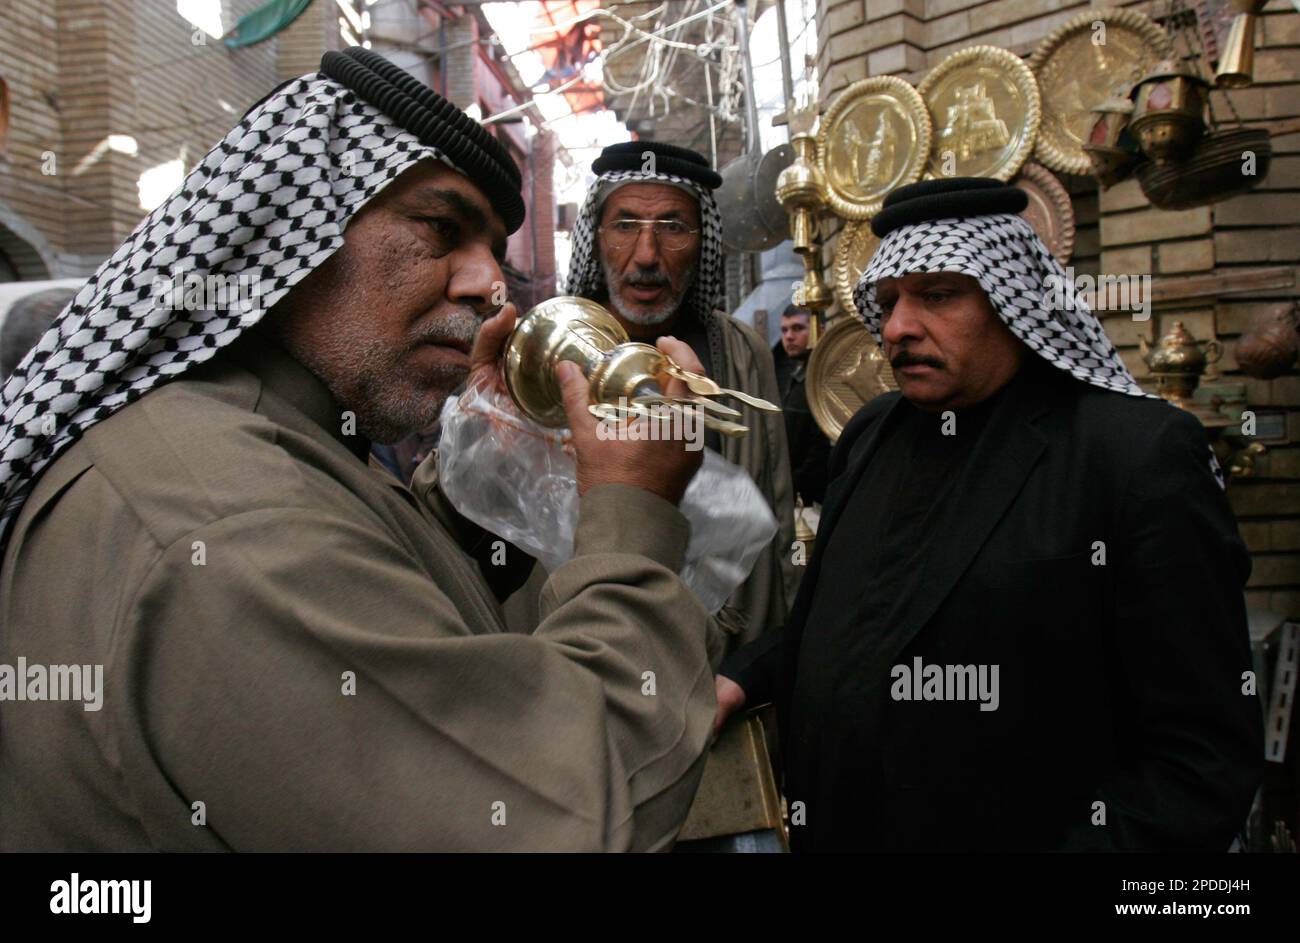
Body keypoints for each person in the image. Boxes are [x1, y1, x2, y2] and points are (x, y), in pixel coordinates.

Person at [0, 48, 725, 852]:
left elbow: (376, 591)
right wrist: (636, 519)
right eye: (440, 229)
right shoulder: (233, 525)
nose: (490, 285)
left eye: (490, 247)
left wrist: (486, 477)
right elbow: (561, 810)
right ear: (286, 232)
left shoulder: (259, 435)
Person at [714, 177, 1264, 852]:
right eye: (886, 302)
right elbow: (844, 619)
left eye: (938, 295)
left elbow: (1200, 759)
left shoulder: (1131, 453)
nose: (897, 327)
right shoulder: (873, 432)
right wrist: (739, 679)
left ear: (1015, 298)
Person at [566, 141, 795, 647]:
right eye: (625, 226)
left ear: (701, 241)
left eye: (673, 228)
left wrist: (761, 663)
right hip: (592, 640)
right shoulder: (556, 352)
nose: (646, 256)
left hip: (722, 651)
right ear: (597, 237)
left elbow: (773, 510)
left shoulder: (740, 352)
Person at [771, 305, 831, 506]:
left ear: (818, 330)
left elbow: (821, 448)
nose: (788, 337)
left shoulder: (825, 380)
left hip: (816, 500)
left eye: (797, 328)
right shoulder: (798, 378)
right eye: (784, 330)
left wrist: (793, 484)